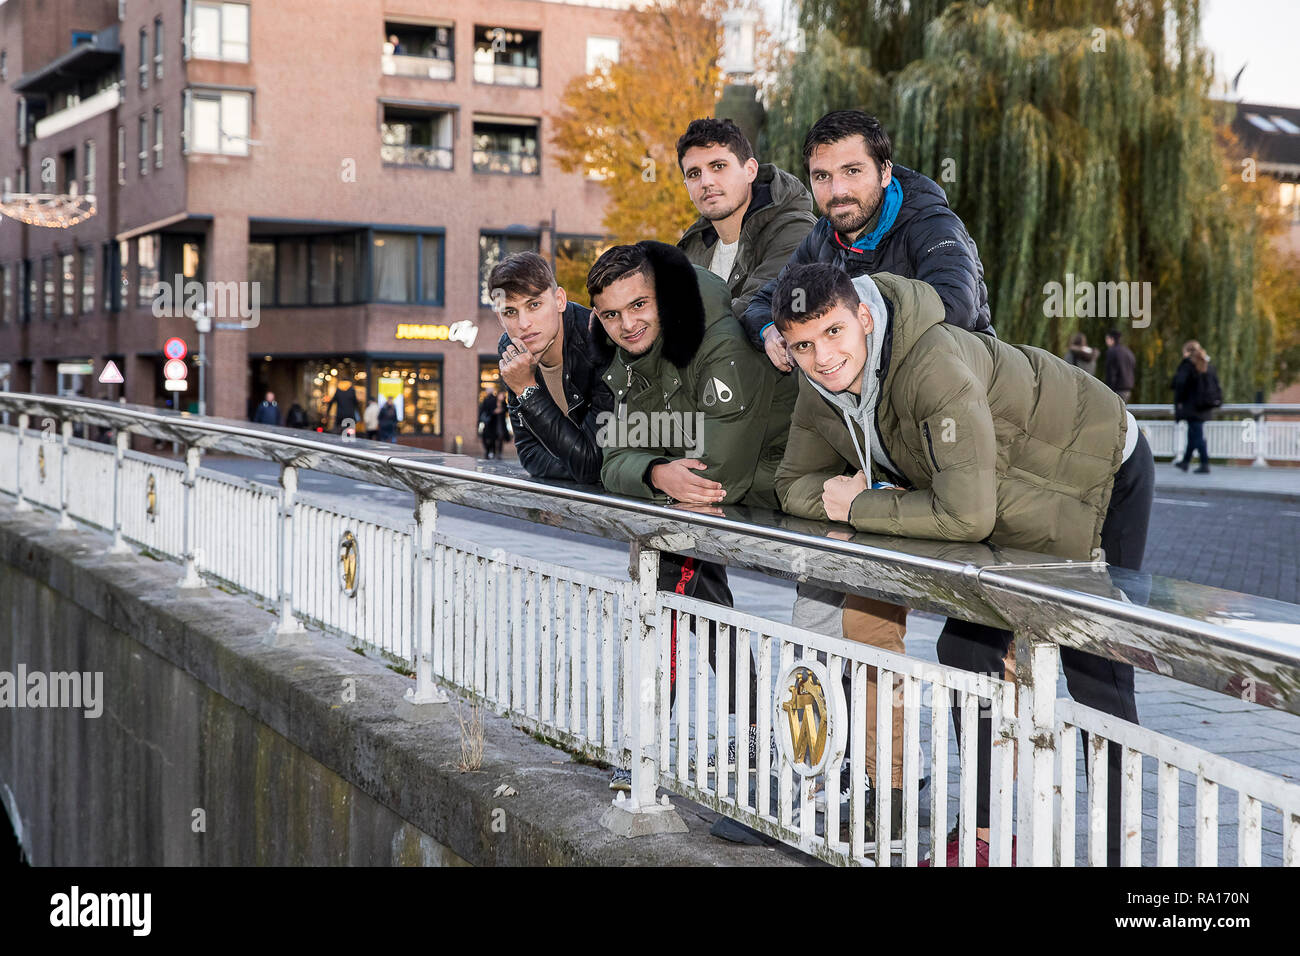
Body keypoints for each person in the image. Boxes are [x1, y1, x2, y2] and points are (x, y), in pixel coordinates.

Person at [770, 263, 1155, 867]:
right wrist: (868, 501)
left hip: (1097, 465)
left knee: (1093, 664)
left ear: (864, 317)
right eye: (804, 345)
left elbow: (967, 516)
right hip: (1009, 498)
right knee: (968, 652)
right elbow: (790, 482)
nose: (822, 356)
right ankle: (988, 835)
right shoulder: (820, 387)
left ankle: (1118, 859)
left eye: (835, 333)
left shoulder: (932, 363)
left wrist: (863, 502)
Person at [589, 240, 796, 803]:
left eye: (639, 305)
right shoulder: (632, 360)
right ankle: (747, 735)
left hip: (780, 480)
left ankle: (646, 745)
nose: (627, 324)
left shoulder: (720, 341)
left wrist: (666, 467)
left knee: (679, 591)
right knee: (691, 595)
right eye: (611, 314)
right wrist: (656, 470)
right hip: (708, 491)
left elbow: (713, 477)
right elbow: (614, 459)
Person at [744, 109, 992, 372]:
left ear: (885, 172)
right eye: (822, 176)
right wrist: (771, 332)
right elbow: (766, 302)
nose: (838, 191)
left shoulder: (932, 225)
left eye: (852, 171)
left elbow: (954, 311)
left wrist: (841, 332)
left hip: (955, 379)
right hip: (866, 392)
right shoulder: (822, 237)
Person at [676, 117, 817, 319]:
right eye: (694, 173)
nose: (706, 182)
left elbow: (760, 309)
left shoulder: (795, 230)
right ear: (687, 187)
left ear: (750, 170)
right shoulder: (691, 248)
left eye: (718, 166)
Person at [492, 252, 612, 484]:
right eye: (510, 312)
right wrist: (577, 462)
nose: (524, 324)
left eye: (534, 304)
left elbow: (592, 464)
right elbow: (528, 454)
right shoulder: (511, 349)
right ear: (500, 318)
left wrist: (528, 390)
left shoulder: (599, 340)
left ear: (559, 300)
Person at [1172, 339, 1221, 474]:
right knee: (1193, 434)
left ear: (1187, 352)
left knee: (1197, 436)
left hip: (1192, 406)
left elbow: (1179, 384)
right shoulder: (1207, 364)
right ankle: (1185, 462)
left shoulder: (1188, 366)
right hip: (1205, 405)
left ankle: (1204, 463)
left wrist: (1180, 402)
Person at [1103, 328, 1136, 403]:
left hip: (1117, 389)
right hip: (1128, 389)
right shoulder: (1128, 351)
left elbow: (1110, 372)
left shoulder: (1112, 352)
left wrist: (1108, 389)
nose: (1106, 341)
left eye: (1107, 339)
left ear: (1112, 339)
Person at [478, 385, 505, 459]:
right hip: (489, 422)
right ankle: (491, 452)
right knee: (488, 438)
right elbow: (484, 410)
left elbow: (503, 409)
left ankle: (493, 452)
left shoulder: (493, 399)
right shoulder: (487, 399)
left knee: (494, 438)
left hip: (493, 423)